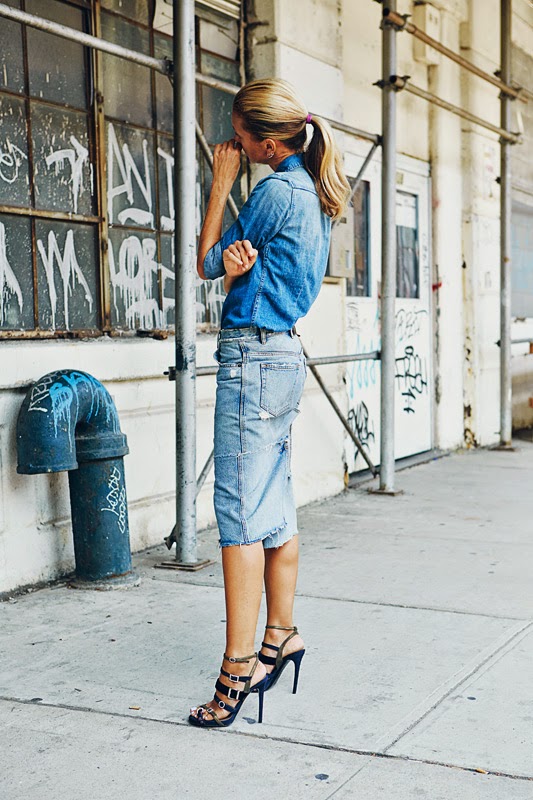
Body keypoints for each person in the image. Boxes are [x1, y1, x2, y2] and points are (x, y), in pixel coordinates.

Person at [189, 78, 349, 728]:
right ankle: (280, 634)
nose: (233, 143)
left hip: (253, 357)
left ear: (262, 140)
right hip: (280, 355)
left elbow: (206, 264)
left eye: (237, 135)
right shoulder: (310, 191)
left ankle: (237, 668)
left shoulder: (274, 191)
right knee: (273, 501)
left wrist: (219, 182)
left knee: (237, 513)